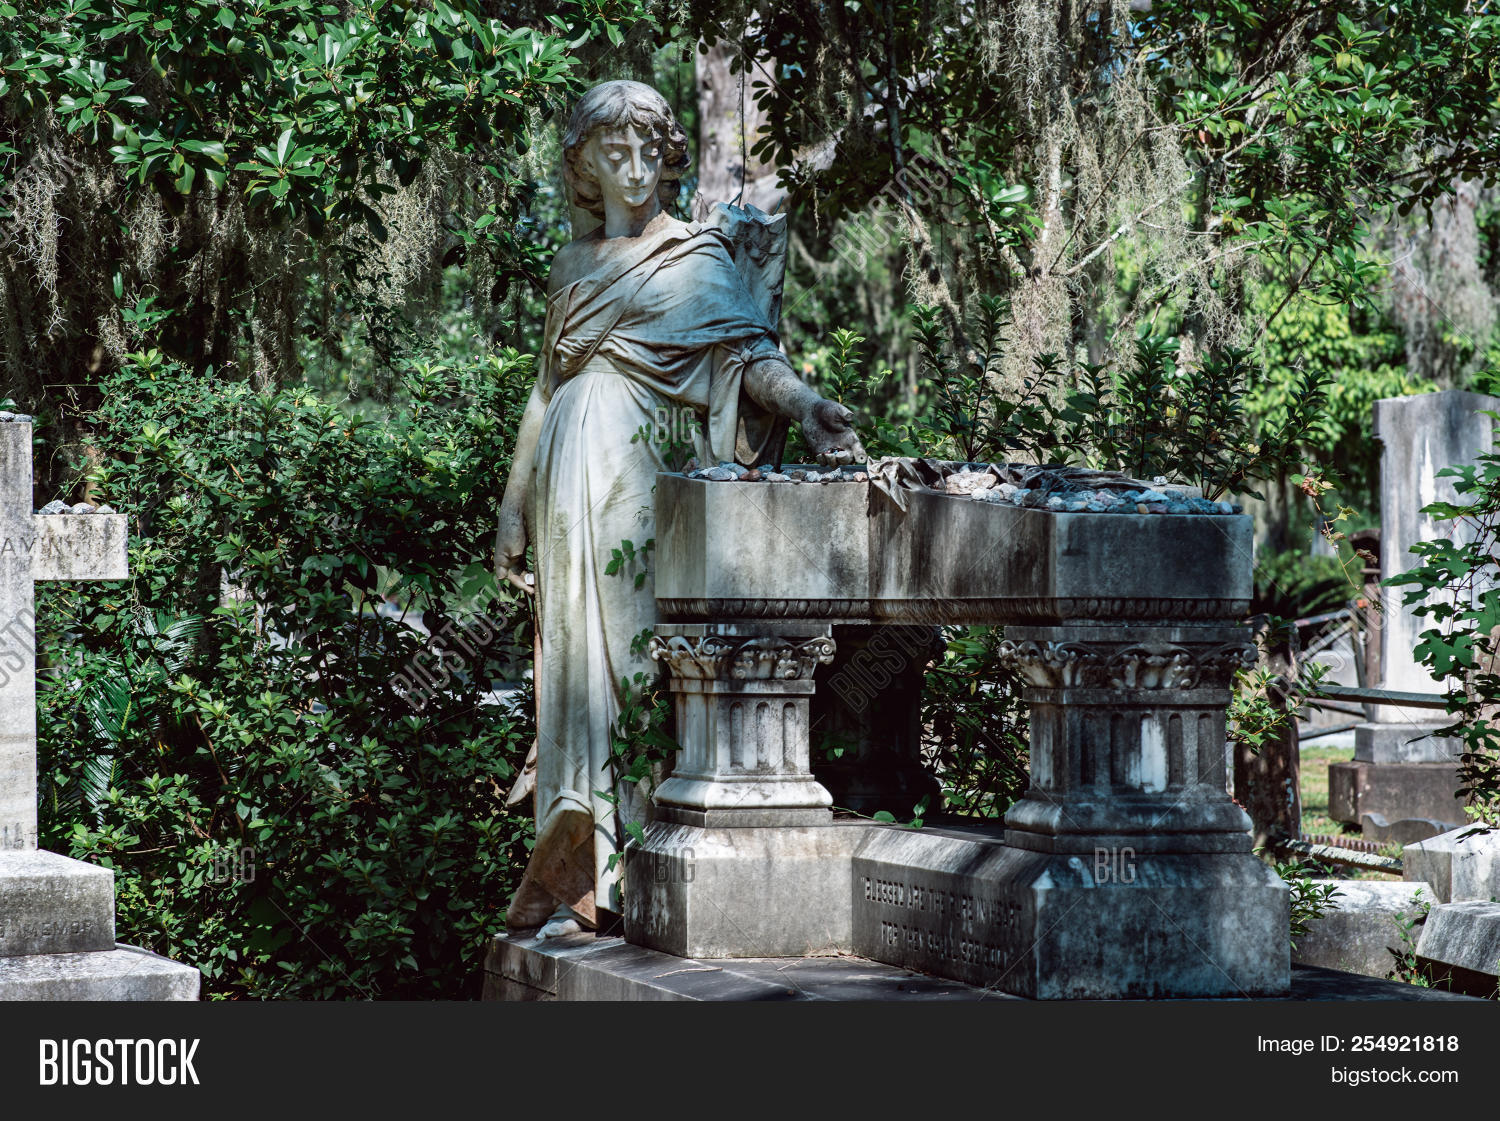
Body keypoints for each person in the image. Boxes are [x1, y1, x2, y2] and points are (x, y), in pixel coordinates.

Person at [495, 80, 864, 938]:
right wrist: (510, 508)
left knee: (625, 665)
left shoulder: (695, 258)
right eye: (611, 153)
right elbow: (546, 390)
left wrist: (807, 406)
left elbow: (745, 358)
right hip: (562, 496)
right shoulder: (570, 263)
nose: (633, 169)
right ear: (582, 164)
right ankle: (574, 880)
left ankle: (629, 878)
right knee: (571, 676)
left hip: (633, 485)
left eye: (647, 151)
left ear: (666, 156)